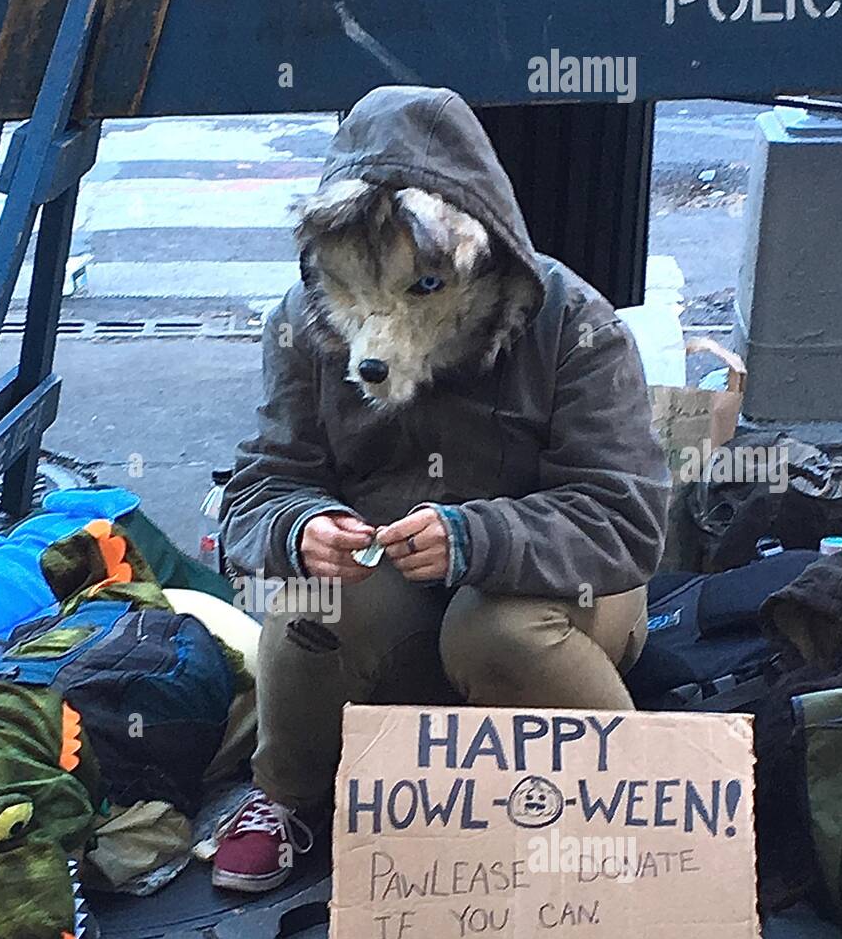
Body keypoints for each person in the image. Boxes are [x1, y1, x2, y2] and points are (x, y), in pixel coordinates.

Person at [213, 86, 669, 892]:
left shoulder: (573, 322)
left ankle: (629, 802)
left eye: (420, 286)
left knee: (497, 630)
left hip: (554, 592)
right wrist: (300, 527)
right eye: (361, 288)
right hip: (390, 582)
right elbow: (263, 484)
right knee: (310, 601)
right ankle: (286, 791)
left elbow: (626, 521)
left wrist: (475, 539)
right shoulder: (303, 321)